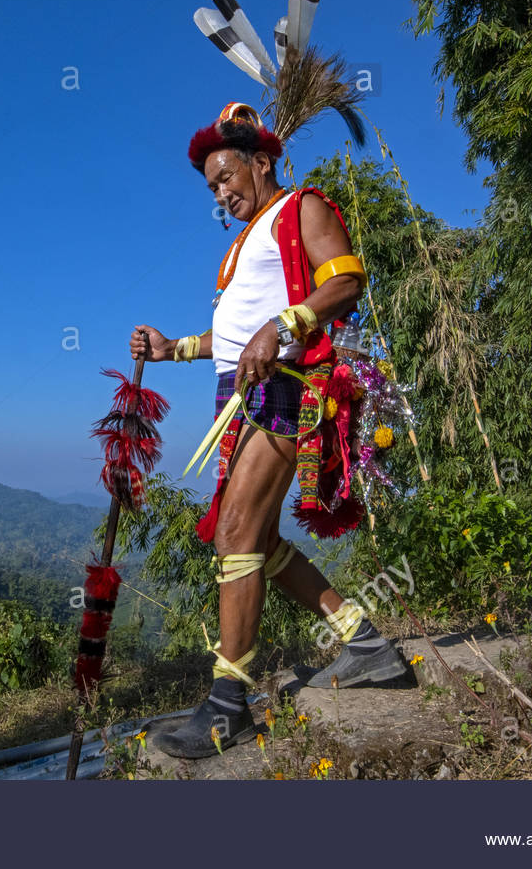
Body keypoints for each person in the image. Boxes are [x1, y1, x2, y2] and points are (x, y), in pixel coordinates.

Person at [129, 102, 409, 759]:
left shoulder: (301, 208)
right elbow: (232, 336)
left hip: (284, 388)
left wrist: (284, 328)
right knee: (260, 538)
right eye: (211, 187)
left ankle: (229, 708)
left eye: (227, 177)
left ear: (261, 162)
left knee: (235, 534)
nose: (221, 193)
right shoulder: (241, 243)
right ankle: (368, 645)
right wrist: (174, 349)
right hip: (242, 391)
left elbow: (344, 281)